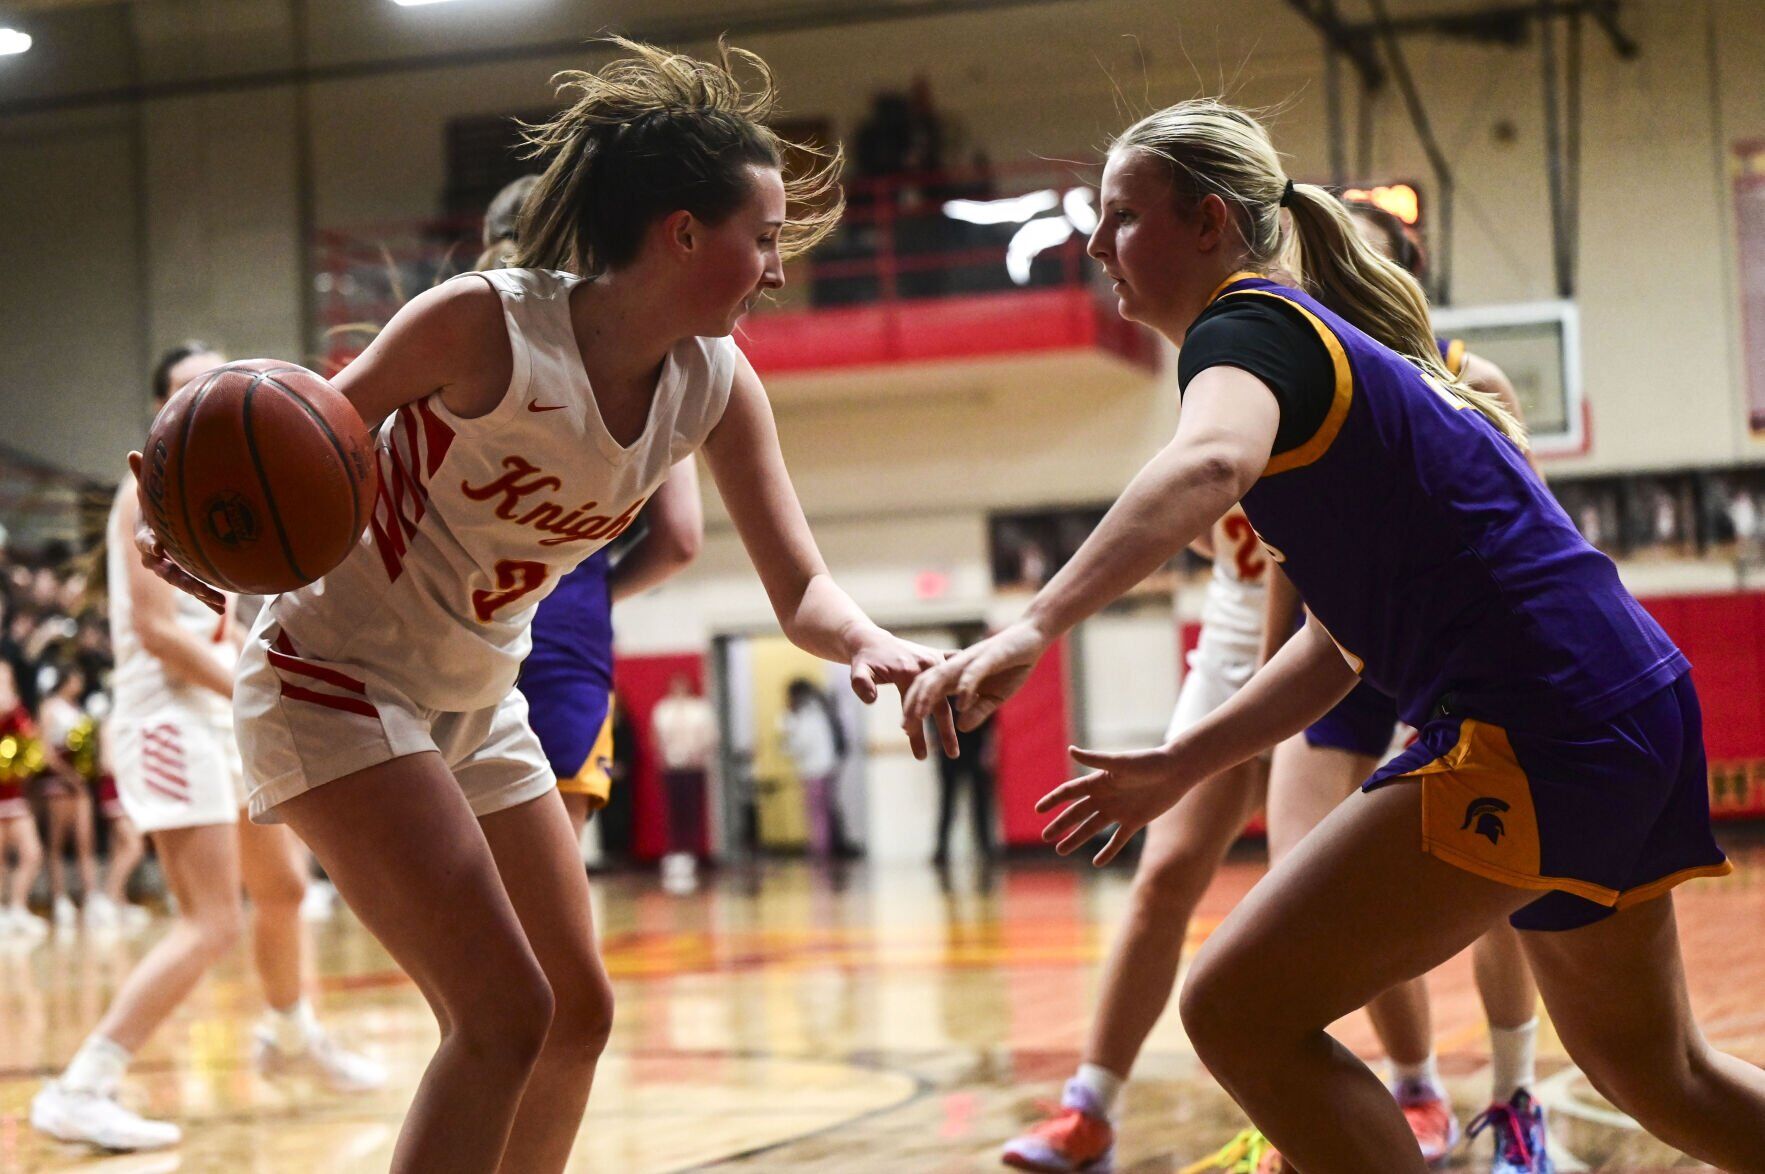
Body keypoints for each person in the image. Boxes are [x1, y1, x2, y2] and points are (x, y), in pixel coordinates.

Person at [134, 40, 956, 1174]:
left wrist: (873, 643)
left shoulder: (714, 382)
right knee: (503, 1015)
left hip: (475, 693)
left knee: (576, 1013)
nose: (775, 268)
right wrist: (191, 531)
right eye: (760, 238)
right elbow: (298, 441)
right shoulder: (482, 325)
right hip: (336, 677)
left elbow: (803, 587)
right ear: (680, 233)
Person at [906, 98, 1765, 1174]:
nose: (1093, 245)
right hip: (1629, 699)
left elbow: (1205, 466)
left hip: (1537, 719)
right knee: (1662, 1075)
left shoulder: (1246, 325)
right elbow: (1337, 642)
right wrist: (1179, 762)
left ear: (1209, 223)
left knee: (1233, 1007)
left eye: (1122, 215)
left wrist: (1033, 623)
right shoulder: (1334, 361)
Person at [1191, 199, 1546, 1170]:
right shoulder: (1299, 382)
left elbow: (1528, 546)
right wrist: (1255, 718)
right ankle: (1412, 1086)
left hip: (1454, 656)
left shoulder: (1468, 377)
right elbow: (1295, 570)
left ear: (1399, 270)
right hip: (1344, 646)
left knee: (1505, 885)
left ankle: (1516, 1096)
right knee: (1310, 874)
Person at [32, 343, 385, 1154]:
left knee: (286, 890)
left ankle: (292, 1035)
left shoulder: (225, 491)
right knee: (211, 919)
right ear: (162, 410)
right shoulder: (144, 493)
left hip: (222, 715)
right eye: (192, 388)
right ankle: (81, 1086)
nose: (214, 398)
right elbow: (159, 635)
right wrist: (258, 687)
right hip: (168, 719)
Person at [481, 175, 707, 844]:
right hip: (566, 626)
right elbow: (680, 539)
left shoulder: (455, 326)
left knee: (454, 898)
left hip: (454, 620)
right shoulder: (646, 358)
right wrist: (593, 587)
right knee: (548, 892)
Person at [37, 663, 102, 931]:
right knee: (57, 843)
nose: (80, 683)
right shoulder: (49, 707)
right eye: (75, 678)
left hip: (80, 782)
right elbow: (44, 751)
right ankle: (59, 898)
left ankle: (91, 897)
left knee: (85, 841)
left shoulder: (79, 710)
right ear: (64, 679)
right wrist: (67, 775)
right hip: (58, 783)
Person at [651, 673, 718, 891]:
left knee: (691, 810)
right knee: (674, 811)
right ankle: (676, 852)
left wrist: (698, 754)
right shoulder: (663, 709)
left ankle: (691, 851)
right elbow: (656, 737)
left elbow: (709, 737)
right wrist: (661, 758)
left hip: (693, 767)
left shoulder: (700, 709)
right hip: (672, 767)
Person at [0, 661, 47, 941]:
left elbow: (30, 740)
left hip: (14, 795)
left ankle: (17, 907)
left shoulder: (15, 709)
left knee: (32, 852)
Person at [780, 677, 850, 861]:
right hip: (827, 766)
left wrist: (787, 736)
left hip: (814, 769)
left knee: (817, 813)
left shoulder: (805, 714)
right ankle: (826, 848)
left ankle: (820, 851)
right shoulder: (820, 709)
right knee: (825, 811)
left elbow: (800, 744)